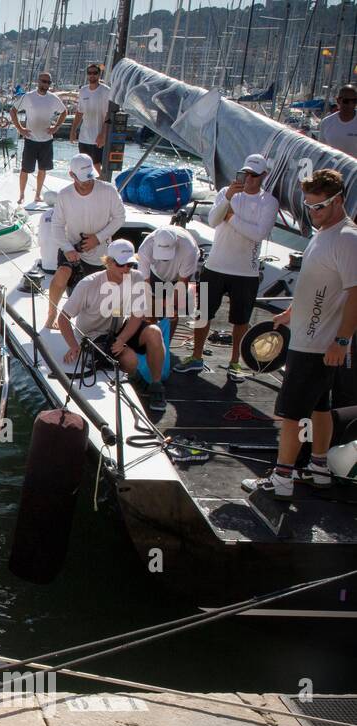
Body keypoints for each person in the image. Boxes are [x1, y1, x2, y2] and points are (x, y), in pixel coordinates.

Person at [243, 169, 357, 498]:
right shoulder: (322, 234)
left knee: (291, 414)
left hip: (319, 344)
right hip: (308, 337)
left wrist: (341, 340)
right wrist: (292, 312)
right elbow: (316, 283)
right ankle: (318, 469)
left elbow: (354, 294)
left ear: (338, 201)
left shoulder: (348, 239)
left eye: (319, 207)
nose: (312, 213)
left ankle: (281, 479)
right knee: (321, 407)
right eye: (308, 207)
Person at [174, 153, 279, 381]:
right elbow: (213, 220)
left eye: (254, 175)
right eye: (245, 173)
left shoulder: (269, 202)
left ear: (264, 176)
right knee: (203, 314)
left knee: (241, 321)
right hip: (215, 267)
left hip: (246, 272)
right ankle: (196, 357)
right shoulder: (226, 193)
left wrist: (231, 219)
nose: (249, 178)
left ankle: (235, 363)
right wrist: (228, 199)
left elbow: (258, 234)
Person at [58, 239, 168, 414]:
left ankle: (156, 386)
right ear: (108, 262)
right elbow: (63, 318)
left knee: (154, 332)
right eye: (121, 264)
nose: (126, 269)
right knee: (130, 359)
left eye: (130, 264)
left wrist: (122, 339)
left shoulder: (137, 277)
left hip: (119, 328)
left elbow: (137, 314)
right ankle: (134, 380)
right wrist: (73, 345)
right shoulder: (88, 283)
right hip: (94, 335)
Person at [46, 153, 126, 329]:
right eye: (83, 179)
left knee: (110, 286)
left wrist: (98, 238)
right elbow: (57, 226)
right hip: (73, 248)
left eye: (90, 178)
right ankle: (51, 315)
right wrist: (67, 248)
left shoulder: (108, 190)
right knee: (62, 273)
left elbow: (120, 217)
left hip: (102, 250)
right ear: (72, 175)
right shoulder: (64, 195)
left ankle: (114, 325)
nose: (88, 182)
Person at [10, 72, 66, 205]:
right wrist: (20, 129)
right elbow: (13, 110)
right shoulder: (28, 97)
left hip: (46, 140)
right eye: (43, 81)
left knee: (43, 169)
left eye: (48, 82)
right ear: (38, 81)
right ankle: (22, 195)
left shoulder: (53, 98)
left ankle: (37, 195)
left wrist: (56, 127)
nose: (45, 84)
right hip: (31, 139)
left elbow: (64, 112)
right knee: (25, 169)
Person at [136, 223, 200, 331]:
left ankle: (166, 344)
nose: (164, 258)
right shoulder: (145, 248)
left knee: (172, 312)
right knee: (149, 309)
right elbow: (145, 286)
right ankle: (151, 340)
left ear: (176, 243)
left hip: (179, 277)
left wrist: (171, 304)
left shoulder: (189, 249)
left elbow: (181, 284)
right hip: (156, 273)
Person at [70, 63, 111, 174]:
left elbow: (109, 114)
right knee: (84, 165)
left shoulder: (106, 91)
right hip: (84, 137)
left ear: (99, 75)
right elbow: (80, 112)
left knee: (97, 166)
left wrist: (103, 134)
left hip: (98, 137)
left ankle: (100, 187)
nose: (92, 75)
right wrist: (73, 130)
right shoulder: (83, 91)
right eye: (89, 73)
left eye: (95, 73)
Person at [318, 85, 357, 158]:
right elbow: (321, 150)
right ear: (338, 100)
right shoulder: (326, 122)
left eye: (354, 101)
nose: (350, 104)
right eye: (346, 101)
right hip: (334, 168)